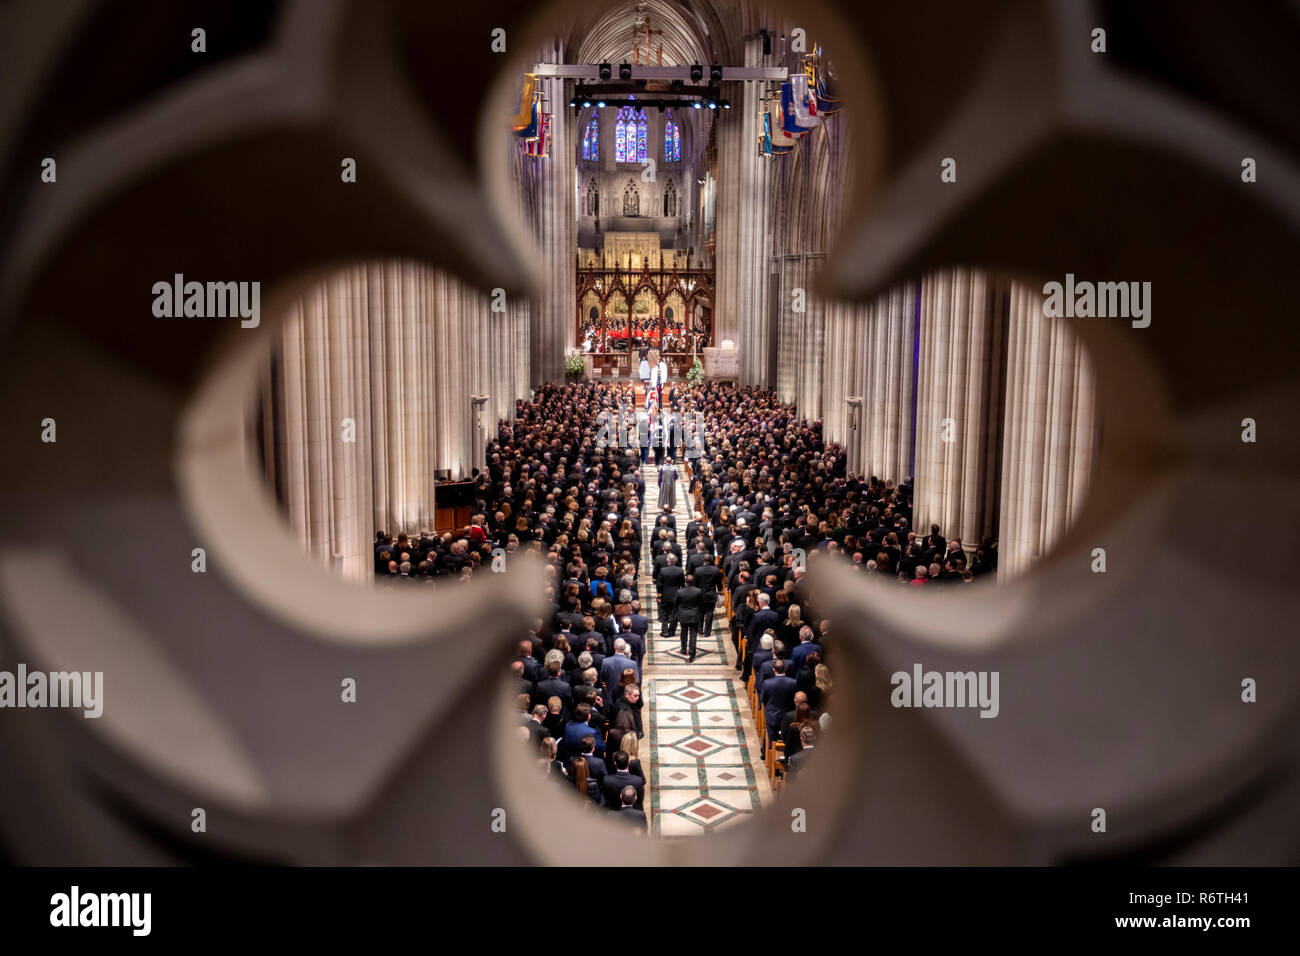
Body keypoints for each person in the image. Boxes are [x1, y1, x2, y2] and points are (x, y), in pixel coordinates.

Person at [675, 572, 703, 662]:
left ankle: (683, 649)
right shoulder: (698, 591)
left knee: (683, 632)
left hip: (683, 615)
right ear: (693, 582)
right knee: (693, 634)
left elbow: (676, 603)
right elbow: (701, 603)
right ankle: (692, 654)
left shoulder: (680, 591)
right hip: (694, 615)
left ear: (685, 582)